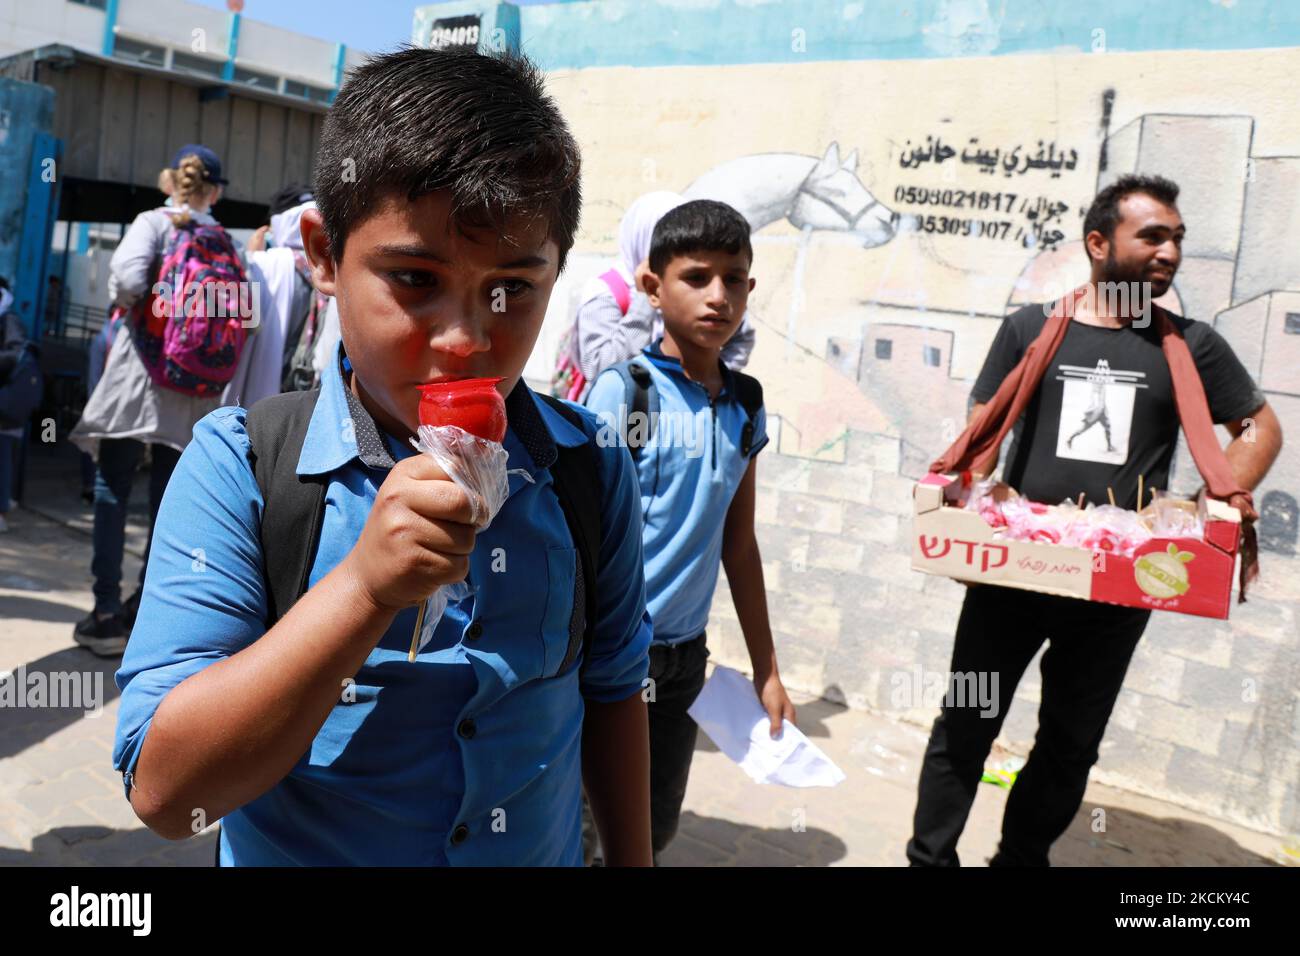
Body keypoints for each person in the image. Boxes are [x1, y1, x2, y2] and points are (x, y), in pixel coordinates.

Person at [111, 47, 653, 867]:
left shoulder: (588, 468)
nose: (466, 340)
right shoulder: (244, 469)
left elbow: (613, 692)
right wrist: (362, 589)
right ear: (326, 257)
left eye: (511, 287)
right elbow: (165, 792)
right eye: (412, 278)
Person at [907, 174, 1283, 867]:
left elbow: (1259, 425)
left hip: (1118, 588)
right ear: (1098, 243)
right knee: (966, 722)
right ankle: (929, 861)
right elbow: (984, 424)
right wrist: (972, 505)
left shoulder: (1192, 346)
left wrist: (1212, 500)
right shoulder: (1029, 328)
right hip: (1013, 577)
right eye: (1152, 236)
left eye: (1177, 238)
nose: (1169, 252)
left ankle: (1021, 861)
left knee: (1071, 741)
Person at [585, 199, 794, 859]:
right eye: (697, 277)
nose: (718, 296)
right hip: (612, 653)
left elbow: (739, 542)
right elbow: (580, 534)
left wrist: (767, 669)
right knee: (595, 830)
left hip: (683, 661)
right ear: (651, 285)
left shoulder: (746, 402)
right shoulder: (625, 393)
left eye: (734, 279)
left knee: (654, 829)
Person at [69, 144, 239, 657]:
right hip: (193, 393)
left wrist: (139, 307)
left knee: (111, 488)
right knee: (168, 504)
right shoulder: (226, 241)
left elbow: (126, 280)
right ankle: (143, 613)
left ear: (171, 182)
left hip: (139, 377)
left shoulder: (152, 223)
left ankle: (103, 614)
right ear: (215, 192)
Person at [558, 190, 756, 402]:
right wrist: (644, 301)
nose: (716, 296)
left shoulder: (714, 296)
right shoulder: (607, 292)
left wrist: (707, 381)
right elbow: (598, 367)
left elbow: (742, 337)